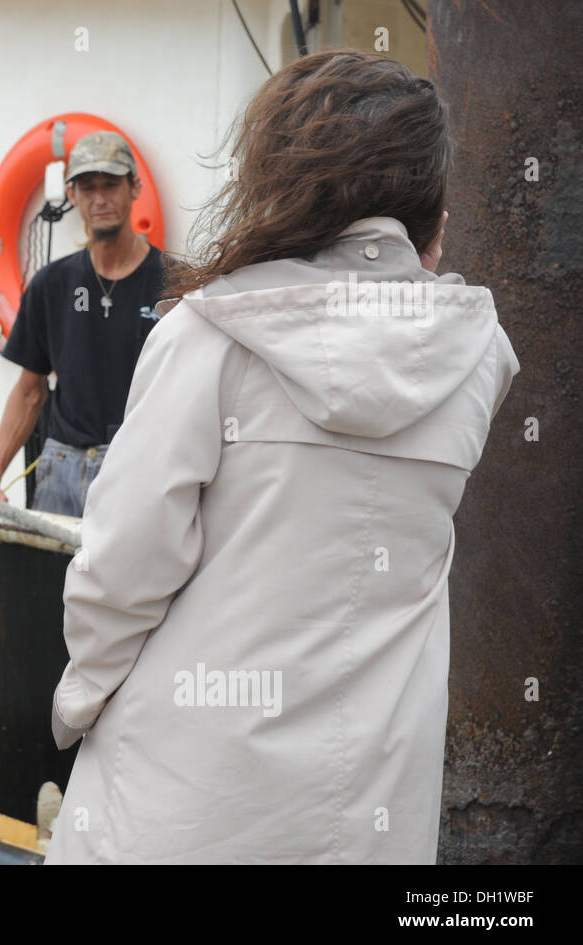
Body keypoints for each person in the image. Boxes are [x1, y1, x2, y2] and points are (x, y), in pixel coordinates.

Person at [46, 50, 518, 864]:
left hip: (182, 798)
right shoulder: (479, 358)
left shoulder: (208, 337)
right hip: (371, 808)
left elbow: (120, 569)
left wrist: (79, 703)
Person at [0, 131, 165, 520]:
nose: (99, 199)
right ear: (72, 195)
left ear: (135, 188)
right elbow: (29, 392)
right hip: (61, 471)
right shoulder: (51, 284)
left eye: (110, 185)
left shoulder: (175, 283)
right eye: (87, 188)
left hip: (142, 469)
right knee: (51, 582)